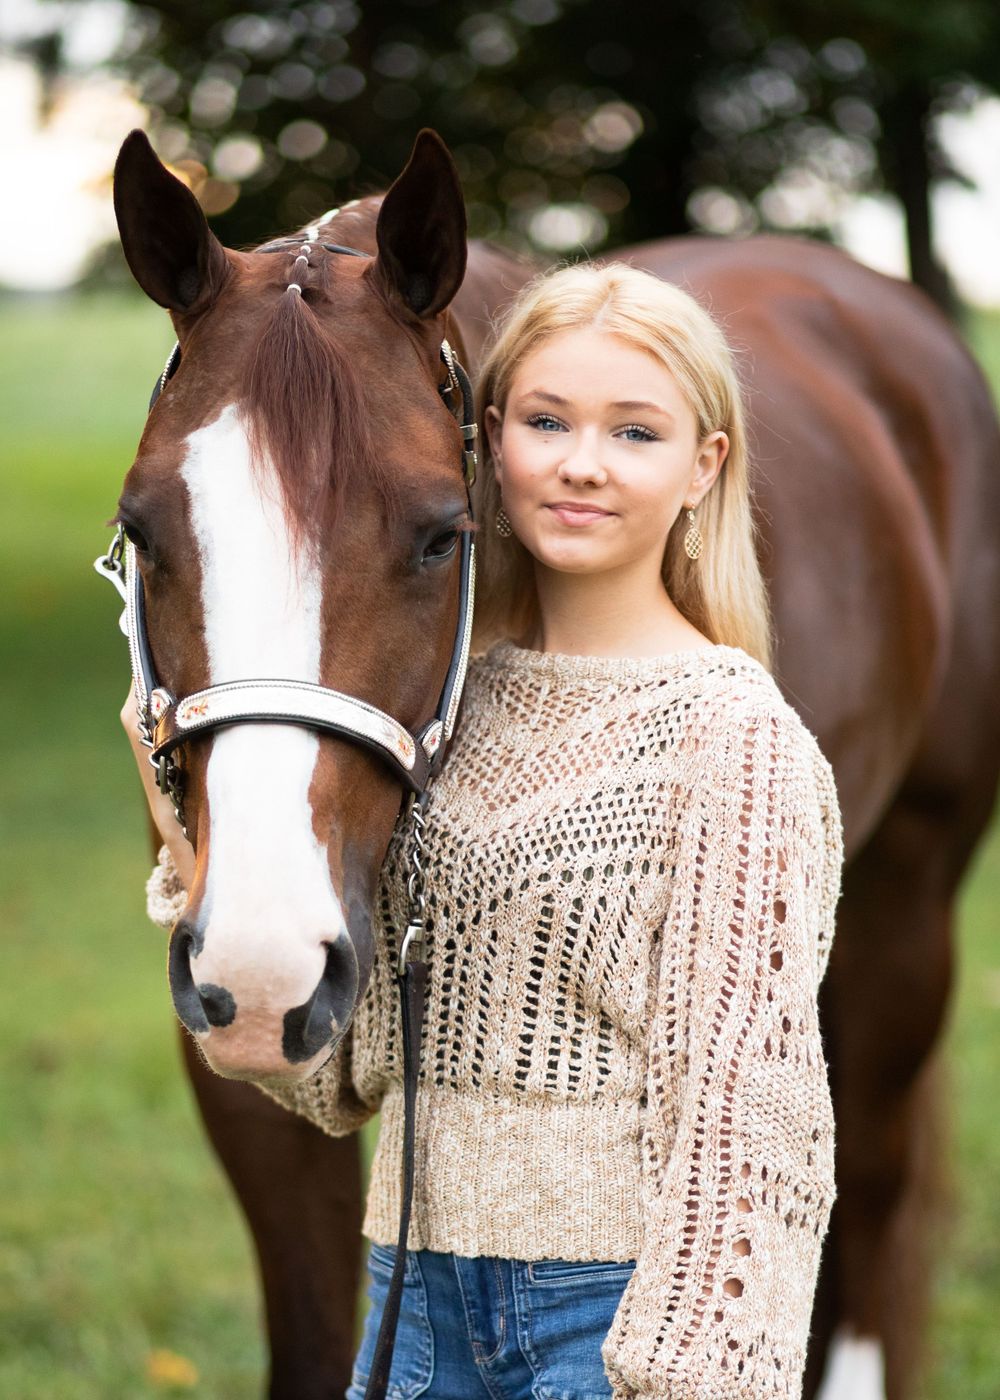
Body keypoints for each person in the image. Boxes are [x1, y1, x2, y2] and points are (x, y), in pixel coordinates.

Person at [136, 262, 843, 1399]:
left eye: (635, 431)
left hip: (607, 1326)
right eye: (547, 419)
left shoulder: (732, 736)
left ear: (702, 467)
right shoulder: (443, 723)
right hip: (414, 1307)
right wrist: (188, 841)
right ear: (487, 440)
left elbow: (746, 1124)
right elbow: (348, 1074)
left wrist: (687, 1373)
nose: (580, 461)